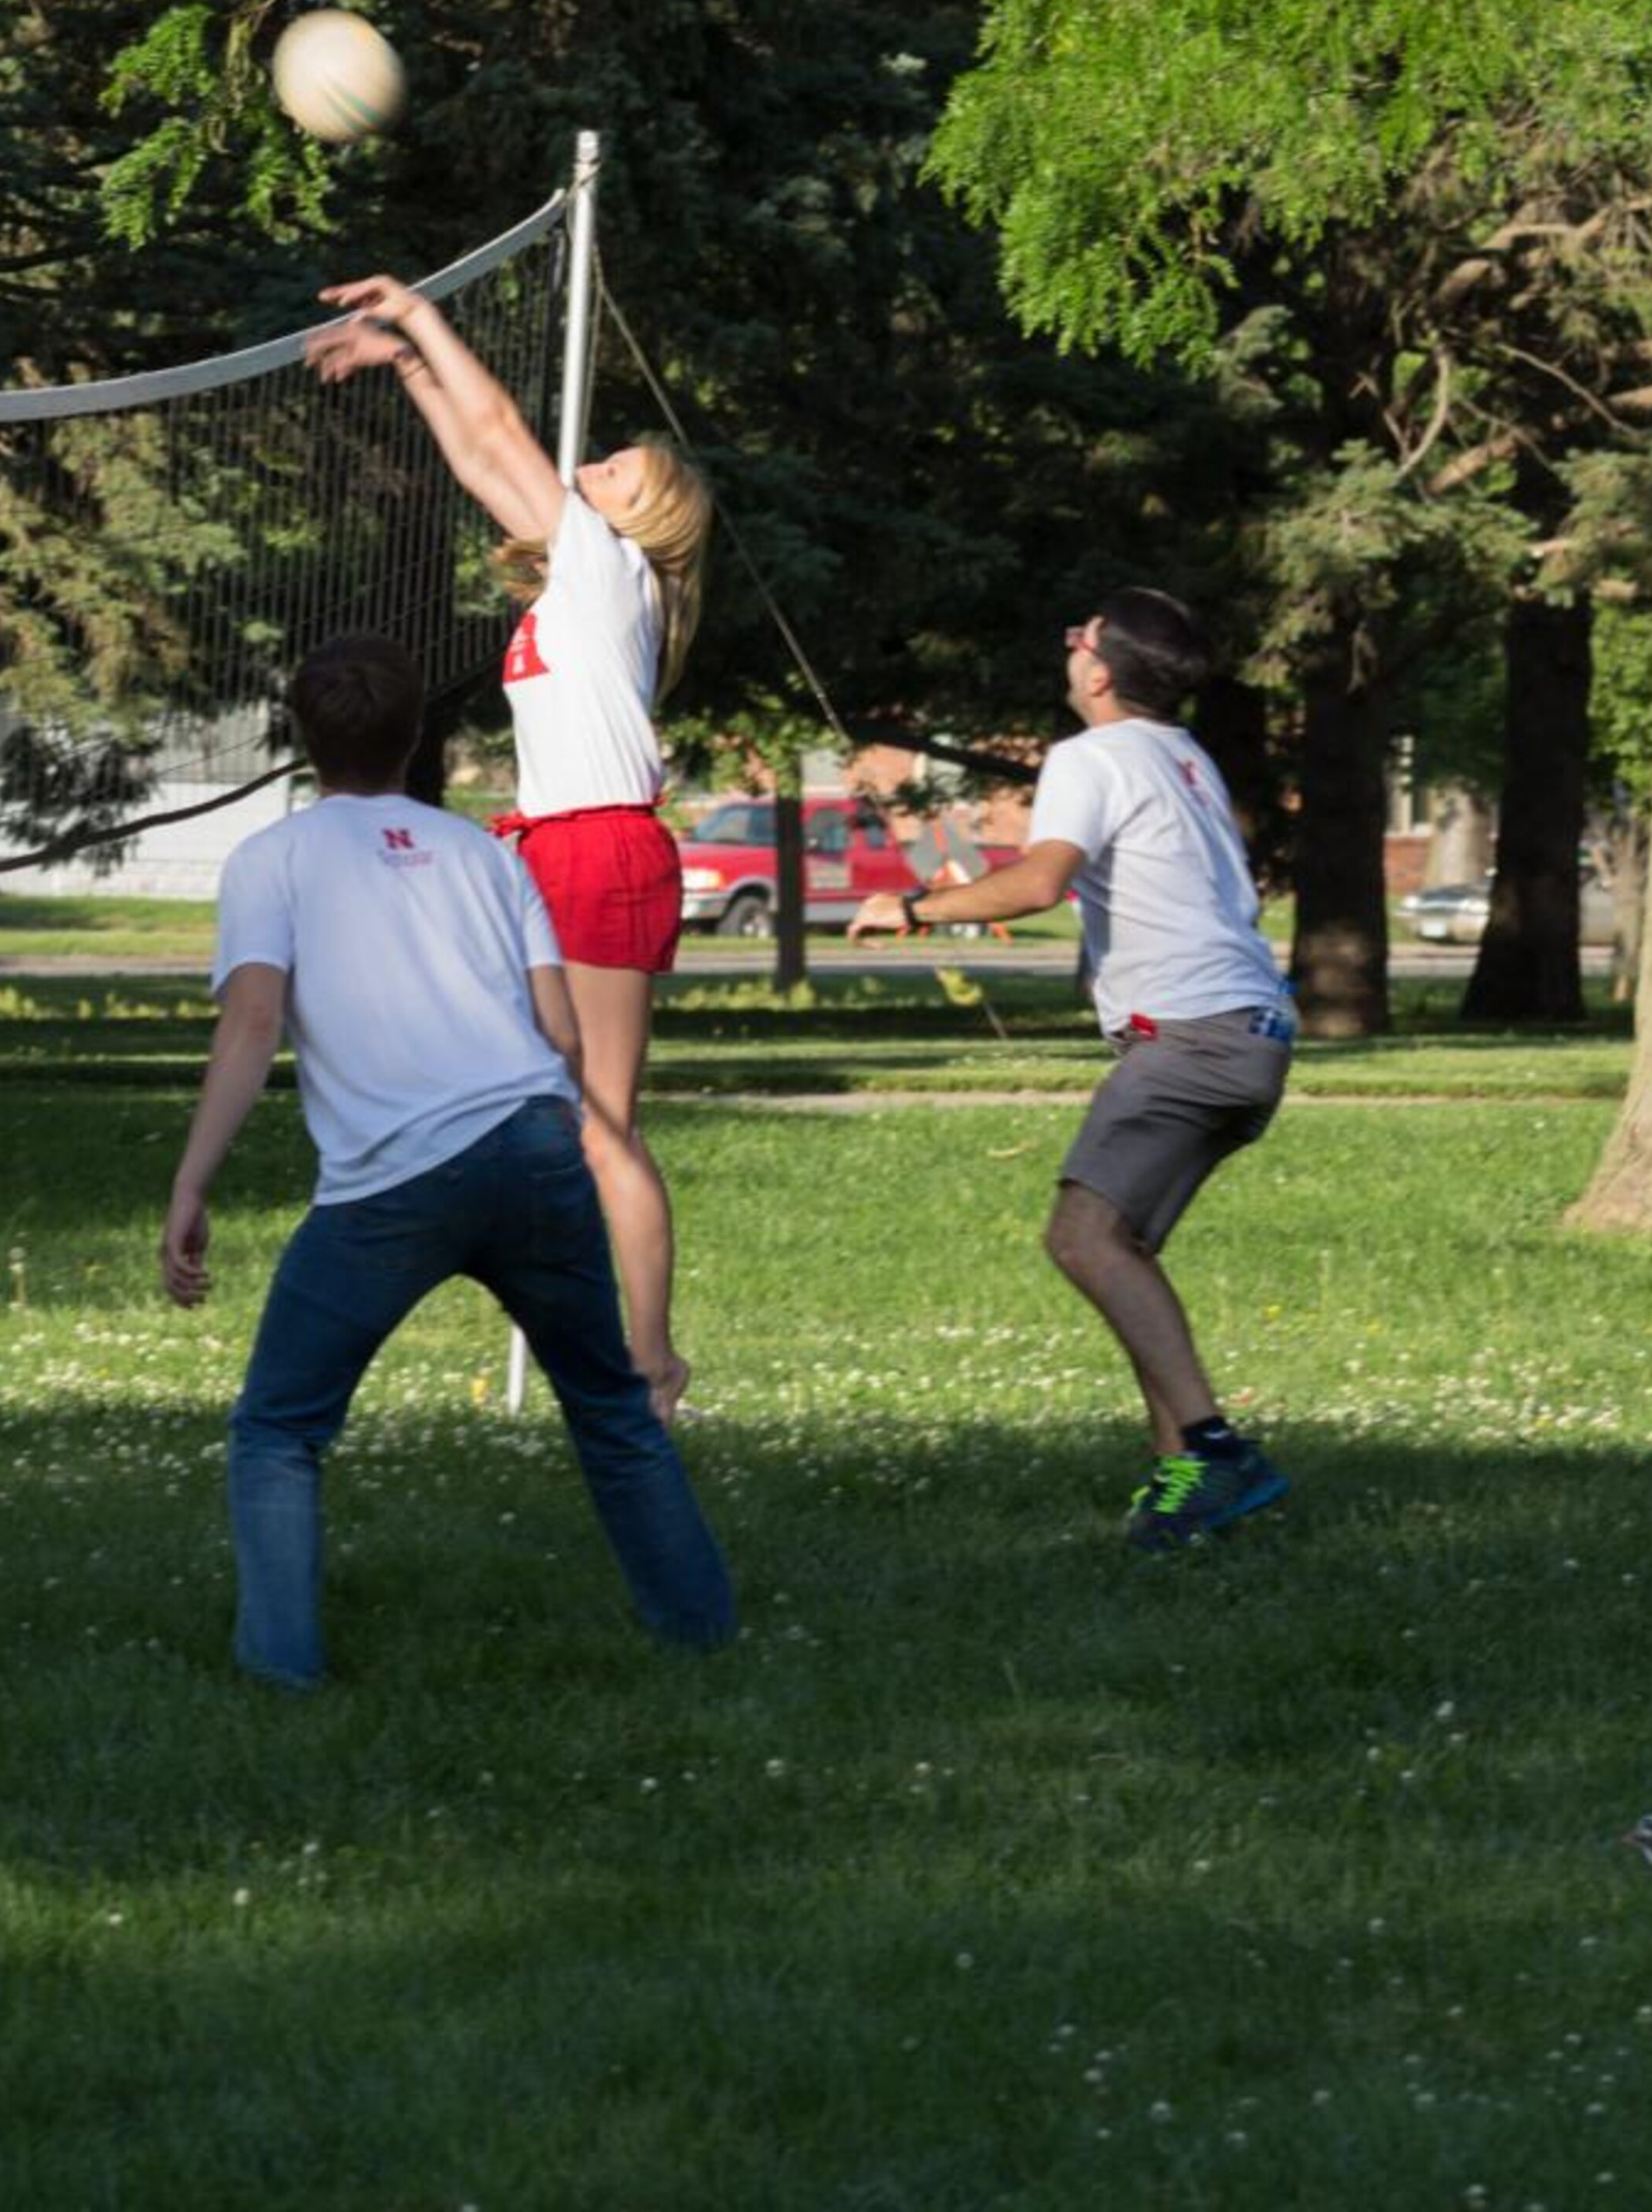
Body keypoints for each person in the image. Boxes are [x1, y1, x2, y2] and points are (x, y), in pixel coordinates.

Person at [160, 630, 734, 1686]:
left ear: (299, 739)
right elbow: (560, 1029)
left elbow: (251, 1022)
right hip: (533, 1144)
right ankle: (704, 1637)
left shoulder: (271, 859)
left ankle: (279, 1676)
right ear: (415, 735)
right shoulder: (483, 852)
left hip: (394, 1182)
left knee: (279, 1429)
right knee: (611, 1408)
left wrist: (193, 1183)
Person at [306, 272, 715, 1421]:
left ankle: (650, 1363)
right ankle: (586, 1332)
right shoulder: (578, 575)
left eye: (619, 469)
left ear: (650, 513)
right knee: (533, 1105)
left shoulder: (610, 564)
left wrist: (418, 317)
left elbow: (501, 435)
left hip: (601, 853)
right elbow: (481, 461)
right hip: (551, 853)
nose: (596, 469)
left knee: (597, 1121)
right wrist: (405, 367)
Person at [849, 586, 1294, 1549]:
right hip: (1247, 1031)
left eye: (1078, 636)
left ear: (1096, 671)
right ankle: (1180, 1498)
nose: (1067, 645)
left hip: (1192, 1035)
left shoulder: (1088, 757)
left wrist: (913, 909)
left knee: (1082, 1239)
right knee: (1122, 1252)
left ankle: (1216, 1451)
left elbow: (1040, 881)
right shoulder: (1182, 756)